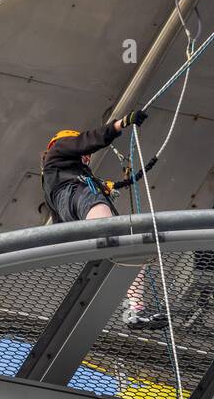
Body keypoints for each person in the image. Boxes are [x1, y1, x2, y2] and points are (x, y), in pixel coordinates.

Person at [40, 110, 165, 329]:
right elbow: (85, 142)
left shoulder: (71, 177)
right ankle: (114, 242)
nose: (86, 158)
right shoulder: (57, 154)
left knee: (133, 250)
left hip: (75, 215)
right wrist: (120, 124)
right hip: (78, 198)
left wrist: (125, 181)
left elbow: (60, 218)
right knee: (113, 227)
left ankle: (135, 309)